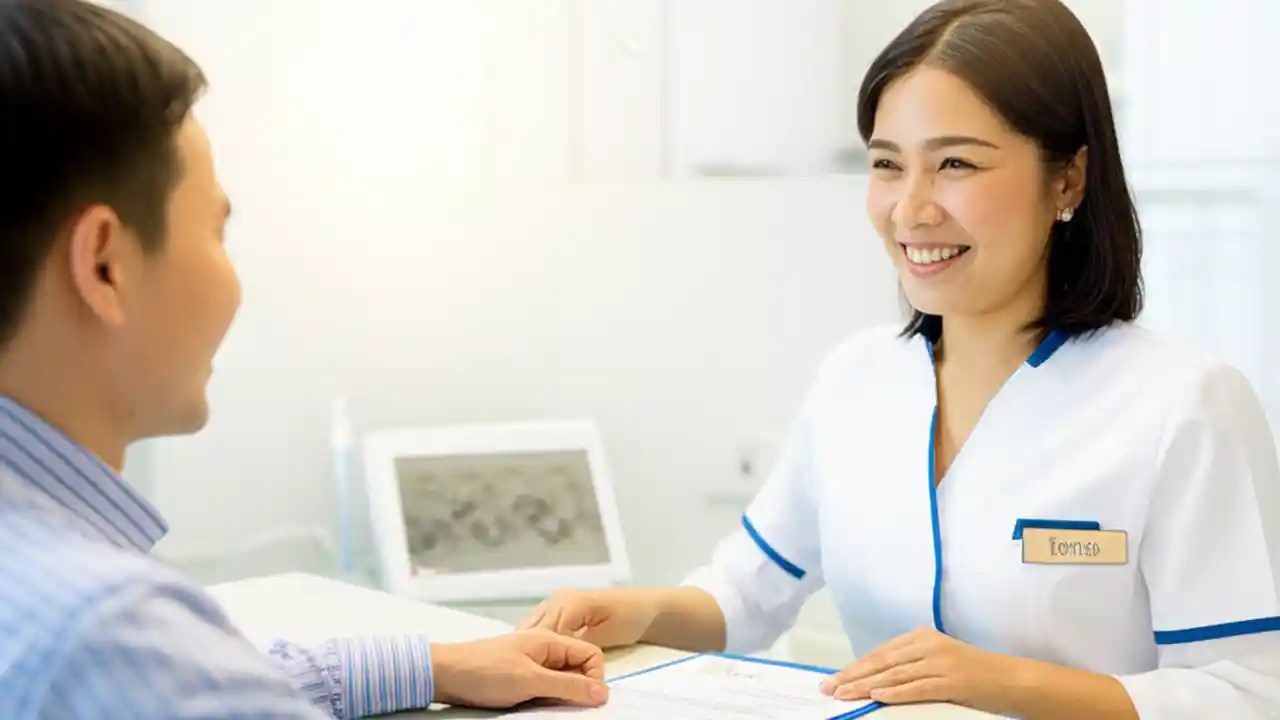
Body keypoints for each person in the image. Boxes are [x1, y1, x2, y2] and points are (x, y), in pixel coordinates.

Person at [521, 1, 1280, 717]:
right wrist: (632, 610)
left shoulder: (1183, 405)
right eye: (887, 165)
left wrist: (1003, 683)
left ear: (1068, 178)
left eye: (956, 165)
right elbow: (745, 595)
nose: (911, 209)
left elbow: (1248, 693)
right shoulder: (857, 380)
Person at [0, 1, 610, 717]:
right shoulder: (109, 638)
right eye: (216, 233)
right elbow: (155, 672)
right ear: (106, 266)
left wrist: (430, 665)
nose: (234, 282)